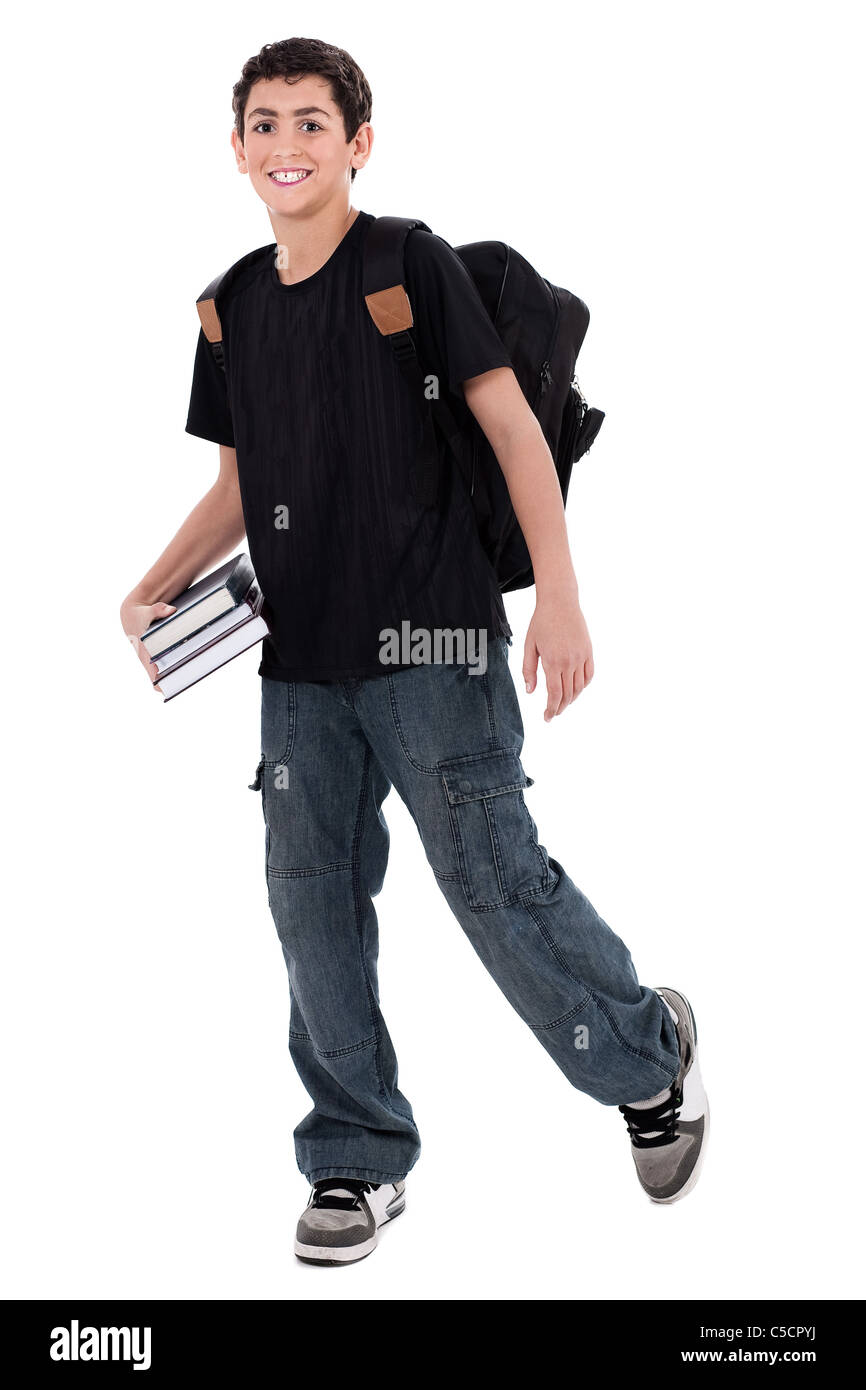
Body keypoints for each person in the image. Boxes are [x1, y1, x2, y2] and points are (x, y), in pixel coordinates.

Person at [120, 36, 709, 1267]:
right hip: (300, 666)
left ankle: (648, 1056)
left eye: (312, 124)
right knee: (310, 904)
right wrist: (152, 585)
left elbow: (507, 427)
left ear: (358, 143)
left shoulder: (408, 264)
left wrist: (559, 594)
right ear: (235, 149)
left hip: (431, 640)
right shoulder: (227, 305)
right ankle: (354, 1154)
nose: (287, 146)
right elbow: (240, 483)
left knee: (490, 880)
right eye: (265, 124)